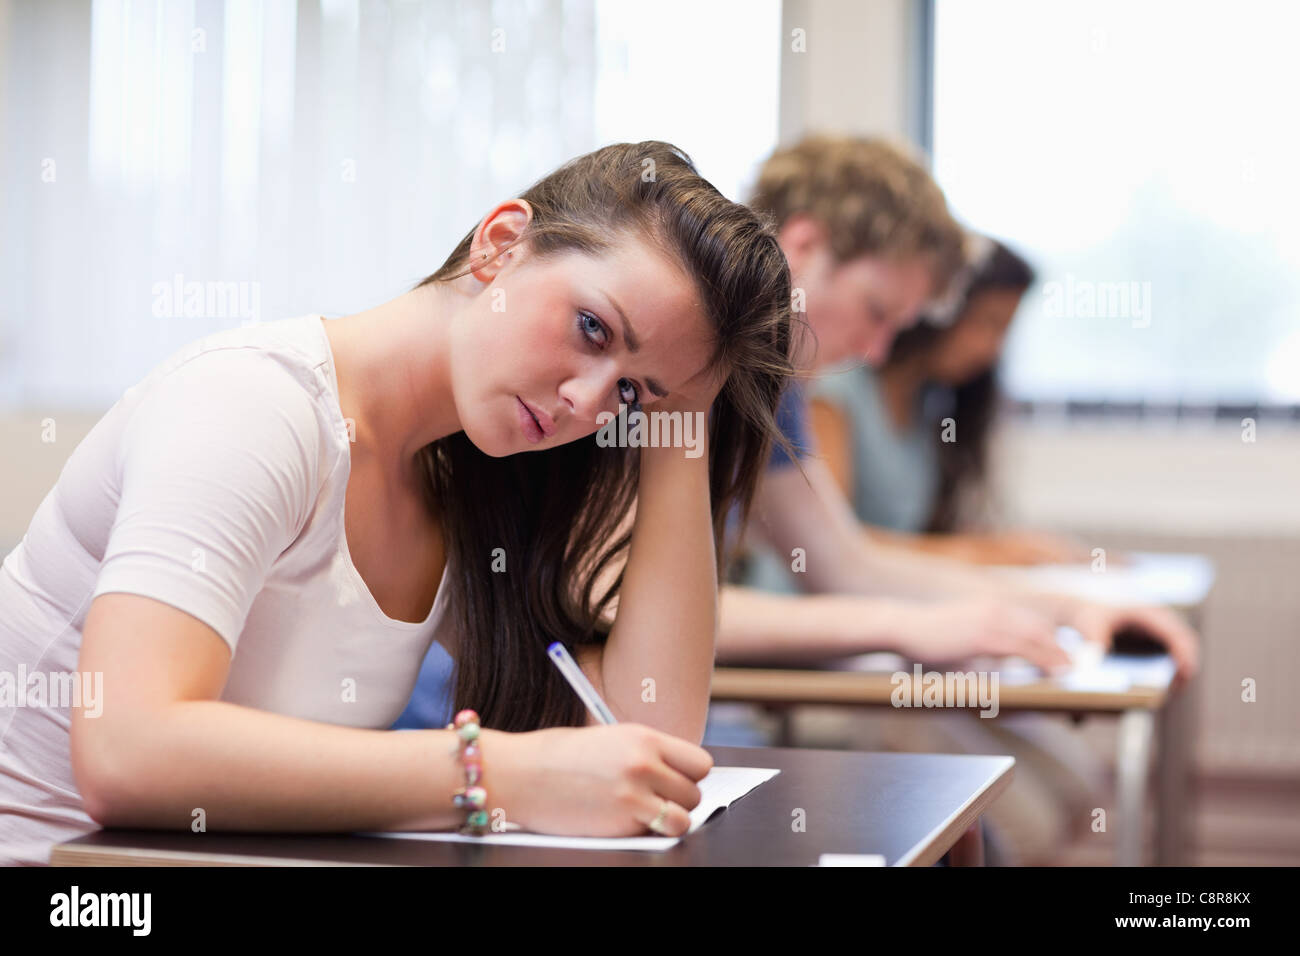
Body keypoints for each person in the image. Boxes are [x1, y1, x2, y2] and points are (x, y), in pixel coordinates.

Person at [0, 141, 800, 866]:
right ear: (501, 245)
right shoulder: (252, 407)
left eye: (628, 391)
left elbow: (645, 736)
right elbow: (126, 750)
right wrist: (497, 772)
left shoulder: (459, 477)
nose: (584, 403)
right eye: (591, 328)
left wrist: (677, 420)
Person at [716, 135, 1198, 680]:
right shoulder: (689, 363)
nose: (876, 351)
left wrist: (1071, 608)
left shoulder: (776, 391)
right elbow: (628, 607)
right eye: (875, 311)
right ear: (802, 246)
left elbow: (849, 565)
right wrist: (899, 627)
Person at [808, 234, 1090, 564]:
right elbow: (827, 548)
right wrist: (983, 553)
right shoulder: (834, 393)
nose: (992, 348)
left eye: (1004, 331)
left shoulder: (929, 405)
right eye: (988, 323)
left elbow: (911, 538)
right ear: (938, 309)